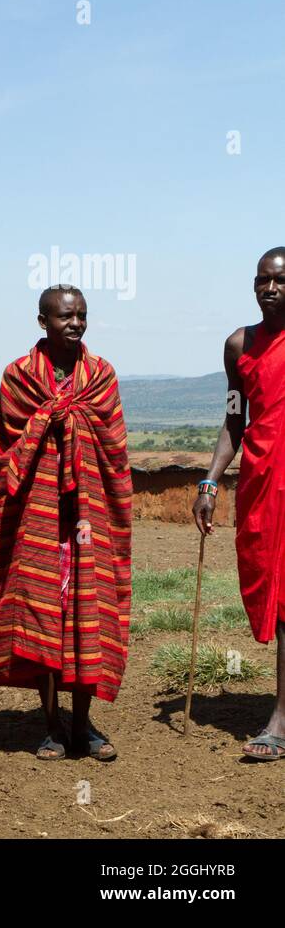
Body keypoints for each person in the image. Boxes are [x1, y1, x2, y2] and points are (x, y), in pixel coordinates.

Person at [0, 285, 132, 760]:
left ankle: (84, 727)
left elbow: (114, 448)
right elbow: (1, 448)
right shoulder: (19, 377)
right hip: (37, 516)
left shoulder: (101, 375)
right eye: (65, 316)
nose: (75, 323)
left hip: (87, 514)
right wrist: (49, 422)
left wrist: (69, 425)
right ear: (42, 321)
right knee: (43, 613)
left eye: (81, 315)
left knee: (88, 613)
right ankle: (52, 725)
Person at [194, 246, 285, 760]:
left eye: (280, 280)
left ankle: (280, 719)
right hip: (264, 482)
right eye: (261, 280)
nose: (269, 288)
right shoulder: (239, 345)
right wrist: (210, 483)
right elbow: (235, 419)